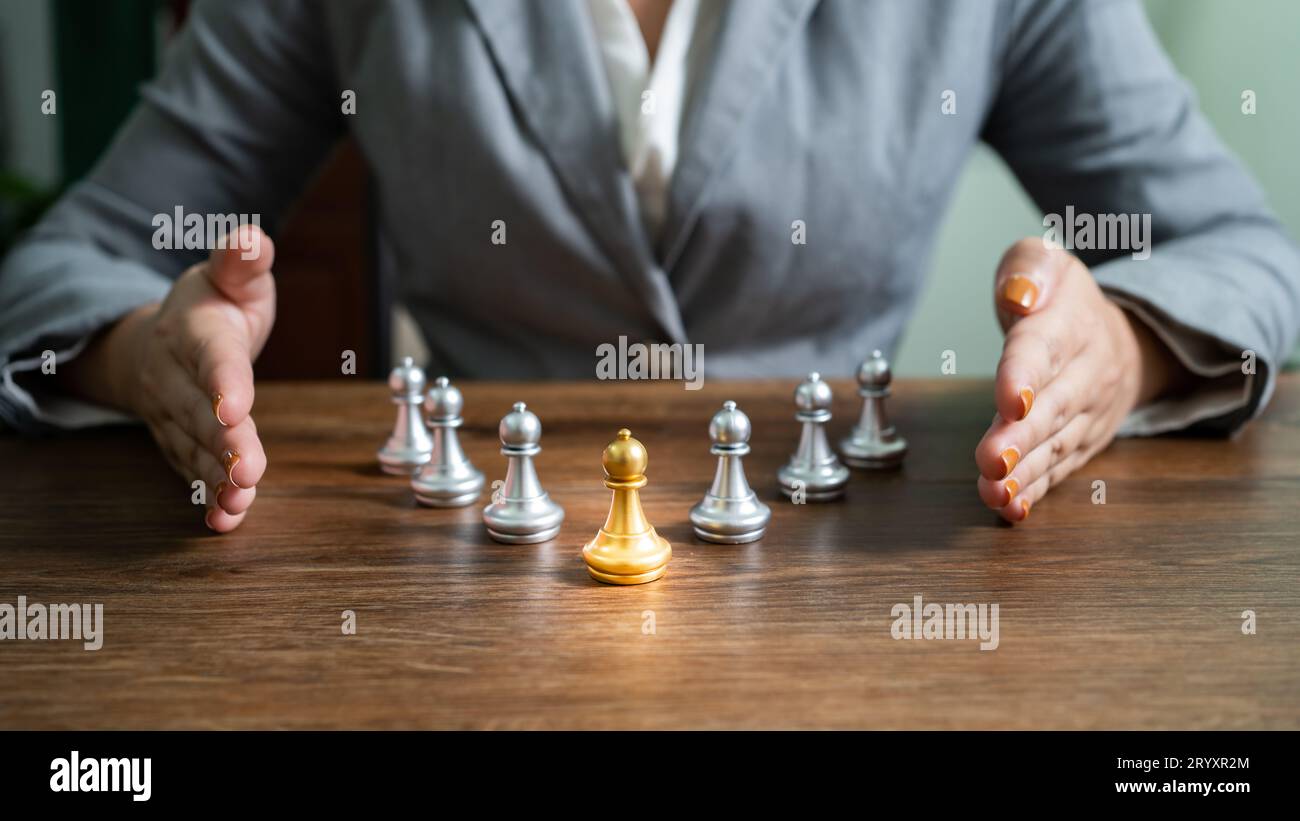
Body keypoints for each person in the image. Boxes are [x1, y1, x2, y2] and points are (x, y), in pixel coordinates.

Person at [1, 0, 1297, 532]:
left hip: (846, 615)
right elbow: (68, 261)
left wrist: (1120, 346)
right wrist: (145, 353)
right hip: (459, 622)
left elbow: (1244, 249)